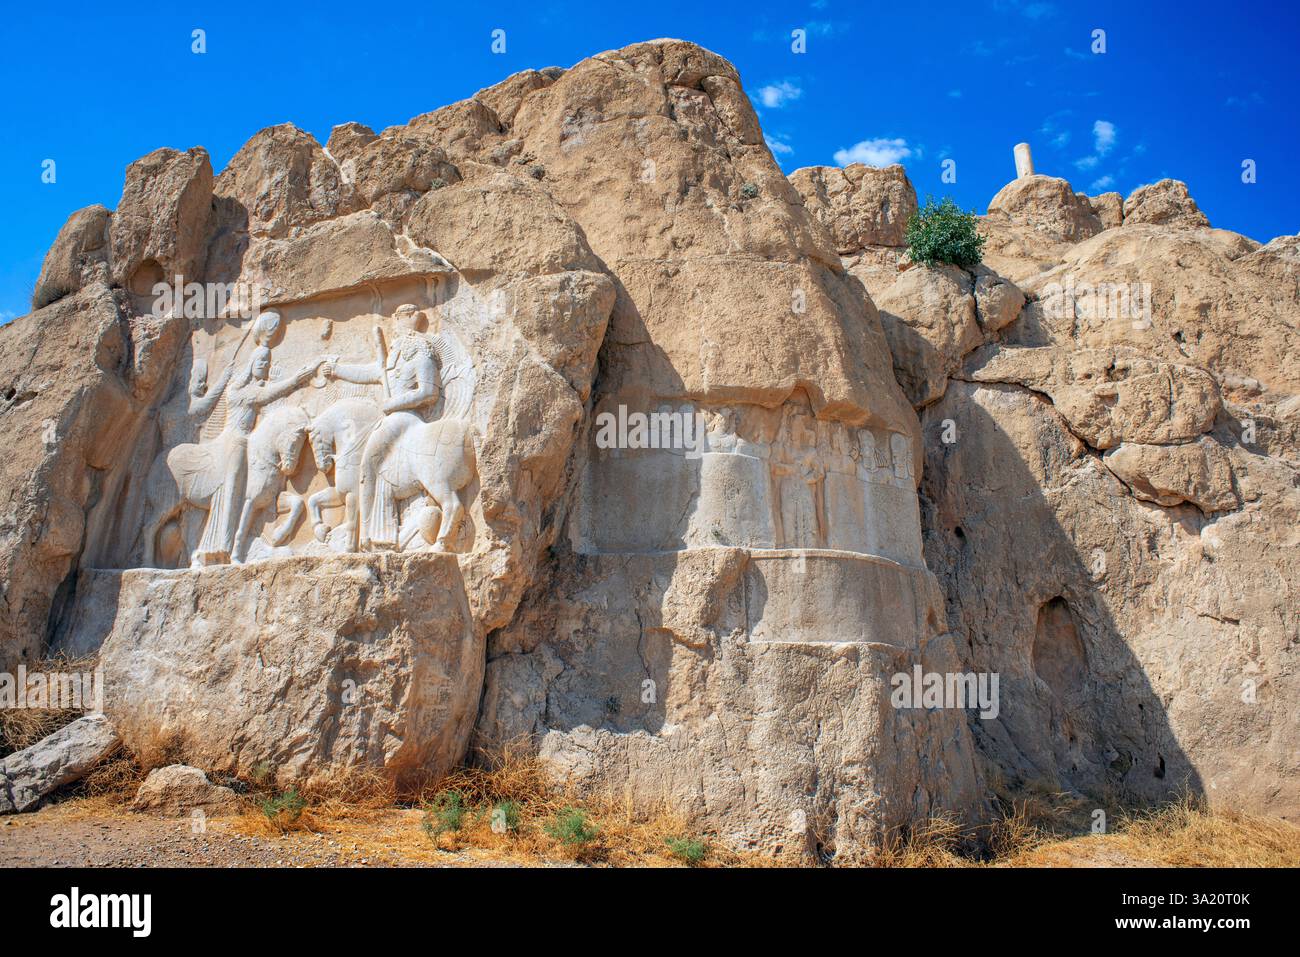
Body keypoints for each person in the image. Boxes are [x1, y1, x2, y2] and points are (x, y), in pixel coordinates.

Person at [324, 305, 440, 549]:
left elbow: (429, 392)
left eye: (398, 322)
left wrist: (394, 402)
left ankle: (367, 535)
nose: (395, 330)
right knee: (374, 470)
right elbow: (366, 373)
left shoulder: (421, 354)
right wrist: (336, 370)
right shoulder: (392, 363)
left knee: (367, 466)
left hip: (405, 419)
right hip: (392, 419)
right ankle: (373, 531)